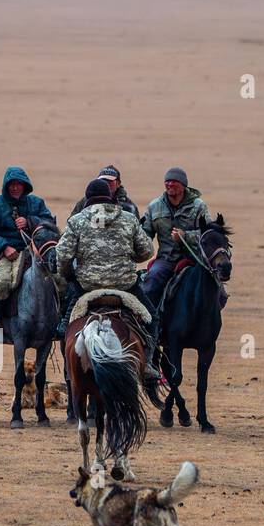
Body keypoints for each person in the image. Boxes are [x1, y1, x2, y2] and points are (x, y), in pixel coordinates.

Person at [56, 179, 159, 384]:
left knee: (63, 327)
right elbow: (147, 251)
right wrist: (129, 258)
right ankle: (147, 363)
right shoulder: (129, 219)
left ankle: (70, 370)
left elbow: (63, 255)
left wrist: (68, 274)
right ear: (110, 197)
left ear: (88, 199)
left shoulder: (77, 220)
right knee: (153, 320)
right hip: (125, 287)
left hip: (87, 287)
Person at [0, 166, 57, 331]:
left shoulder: (36, 203)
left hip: (34, 251)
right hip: (5, 255)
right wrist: (4, 247)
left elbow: (49, 224)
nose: (15, 187)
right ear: (6, 186)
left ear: (25, 185)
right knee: (1, 283)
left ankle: (56, 322)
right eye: (11, 184)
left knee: (57, 280)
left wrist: (29, 221)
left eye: (19, 184)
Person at [139, 166, 212, 313]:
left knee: (213, 289)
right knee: (151, 280)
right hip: (166, 260)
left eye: (174, 181)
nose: (170, 184)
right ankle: (146, 321)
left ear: (183, 185)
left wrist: (185, 236)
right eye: (167, 181)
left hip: (194, 260)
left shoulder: (198, 206)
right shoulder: (155, 206)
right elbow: (145, 233)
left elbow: (209, 235)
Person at [67, 164, 138, 219]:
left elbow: (136, 228)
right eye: (103, 180)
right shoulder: (84, 201)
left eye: (110, 181)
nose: (106, 184)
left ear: (118, 183)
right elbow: (71, 223)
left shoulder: (128, 206)